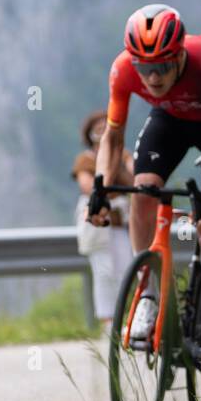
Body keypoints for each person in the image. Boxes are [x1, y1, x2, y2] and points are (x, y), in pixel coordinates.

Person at [87, 4, 201, 385]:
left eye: (162, 65)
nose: (153, 76)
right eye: (144, 68)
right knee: (143, 192)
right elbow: (112, 137)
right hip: (170, 121)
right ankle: (147, 295)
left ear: (180, 55)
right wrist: (100, 187)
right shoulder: (123, 69)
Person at [73, 111, 133, 327]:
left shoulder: (123, 156)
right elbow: (87, 186)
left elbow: (133, 181)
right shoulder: (86, 160)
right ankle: (109, 321)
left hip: (120, 224)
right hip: (99, 223)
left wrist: (114, 159)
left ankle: (127, 317)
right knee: (104, 271)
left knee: (126, 269)